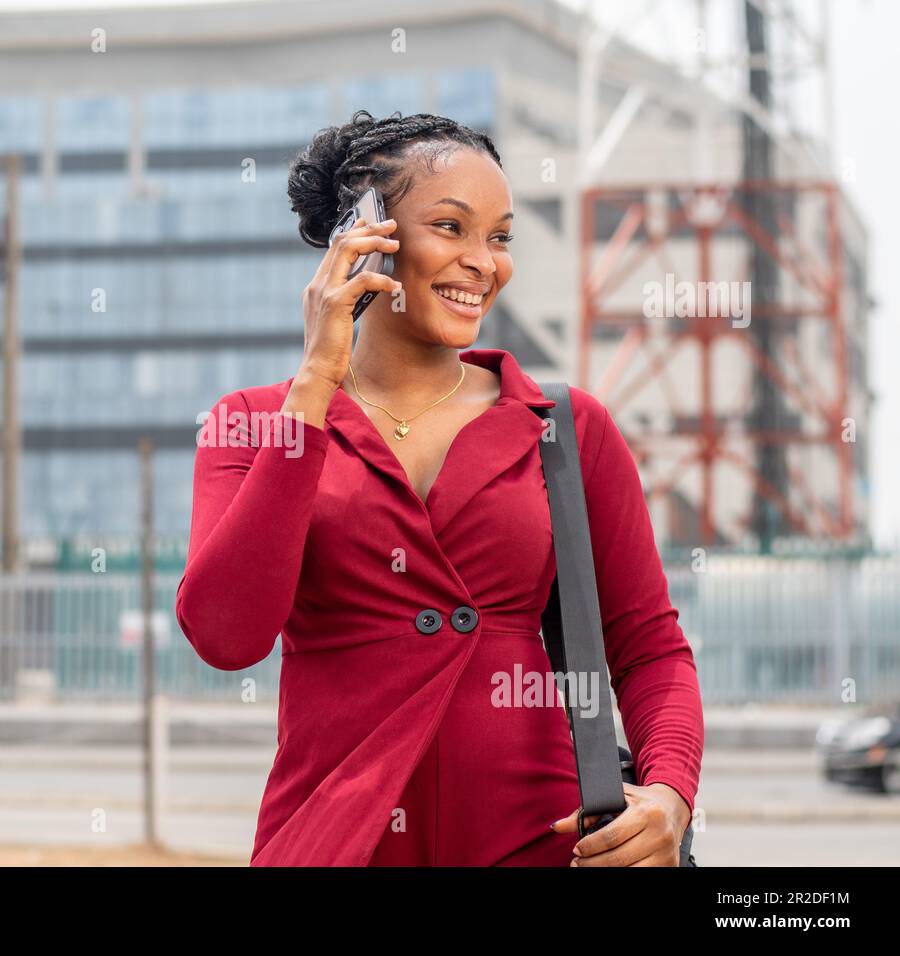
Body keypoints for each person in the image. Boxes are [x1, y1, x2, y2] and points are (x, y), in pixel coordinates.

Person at [175, 110, 703, 867]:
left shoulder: (564, 426)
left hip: (543, 843)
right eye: (451, 228)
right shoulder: (255, 424)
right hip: (333, 843)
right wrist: (315, 384)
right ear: (364, 235)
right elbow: (227, 634)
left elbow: (650, 647)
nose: (484, 262)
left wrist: (671, 794)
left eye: (501, 236)